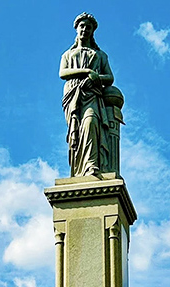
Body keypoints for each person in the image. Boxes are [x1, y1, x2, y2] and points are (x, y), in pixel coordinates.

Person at [60, 13, 114, 177]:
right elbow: (63, 73)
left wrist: (96, 78)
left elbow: (110, 78)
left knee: (90, 124)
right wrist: (87, 72)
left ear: (92, 31)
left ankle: (92, 166)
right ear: (76, 29)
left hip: (92, 94)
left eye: (88, 27)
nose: (85, 29)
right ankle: (78, 170)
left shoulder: (100, 55)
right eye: (82, 26)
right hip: (73, 94)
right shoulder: (67, 54)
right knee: (76, 129)